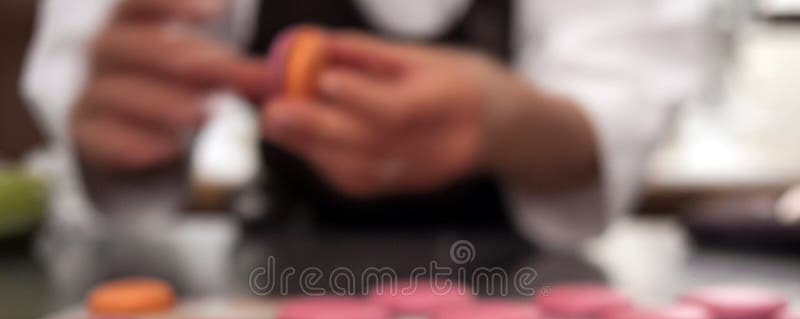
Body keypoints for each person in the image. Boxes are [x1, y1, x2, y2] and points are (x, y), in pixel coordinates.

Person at [22, 0, 713, 247]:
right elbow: (97, 66)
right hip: (277, 276)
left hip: (519, 277)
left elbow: (622, 93)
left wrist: (506, 121)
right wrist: (123, 116)